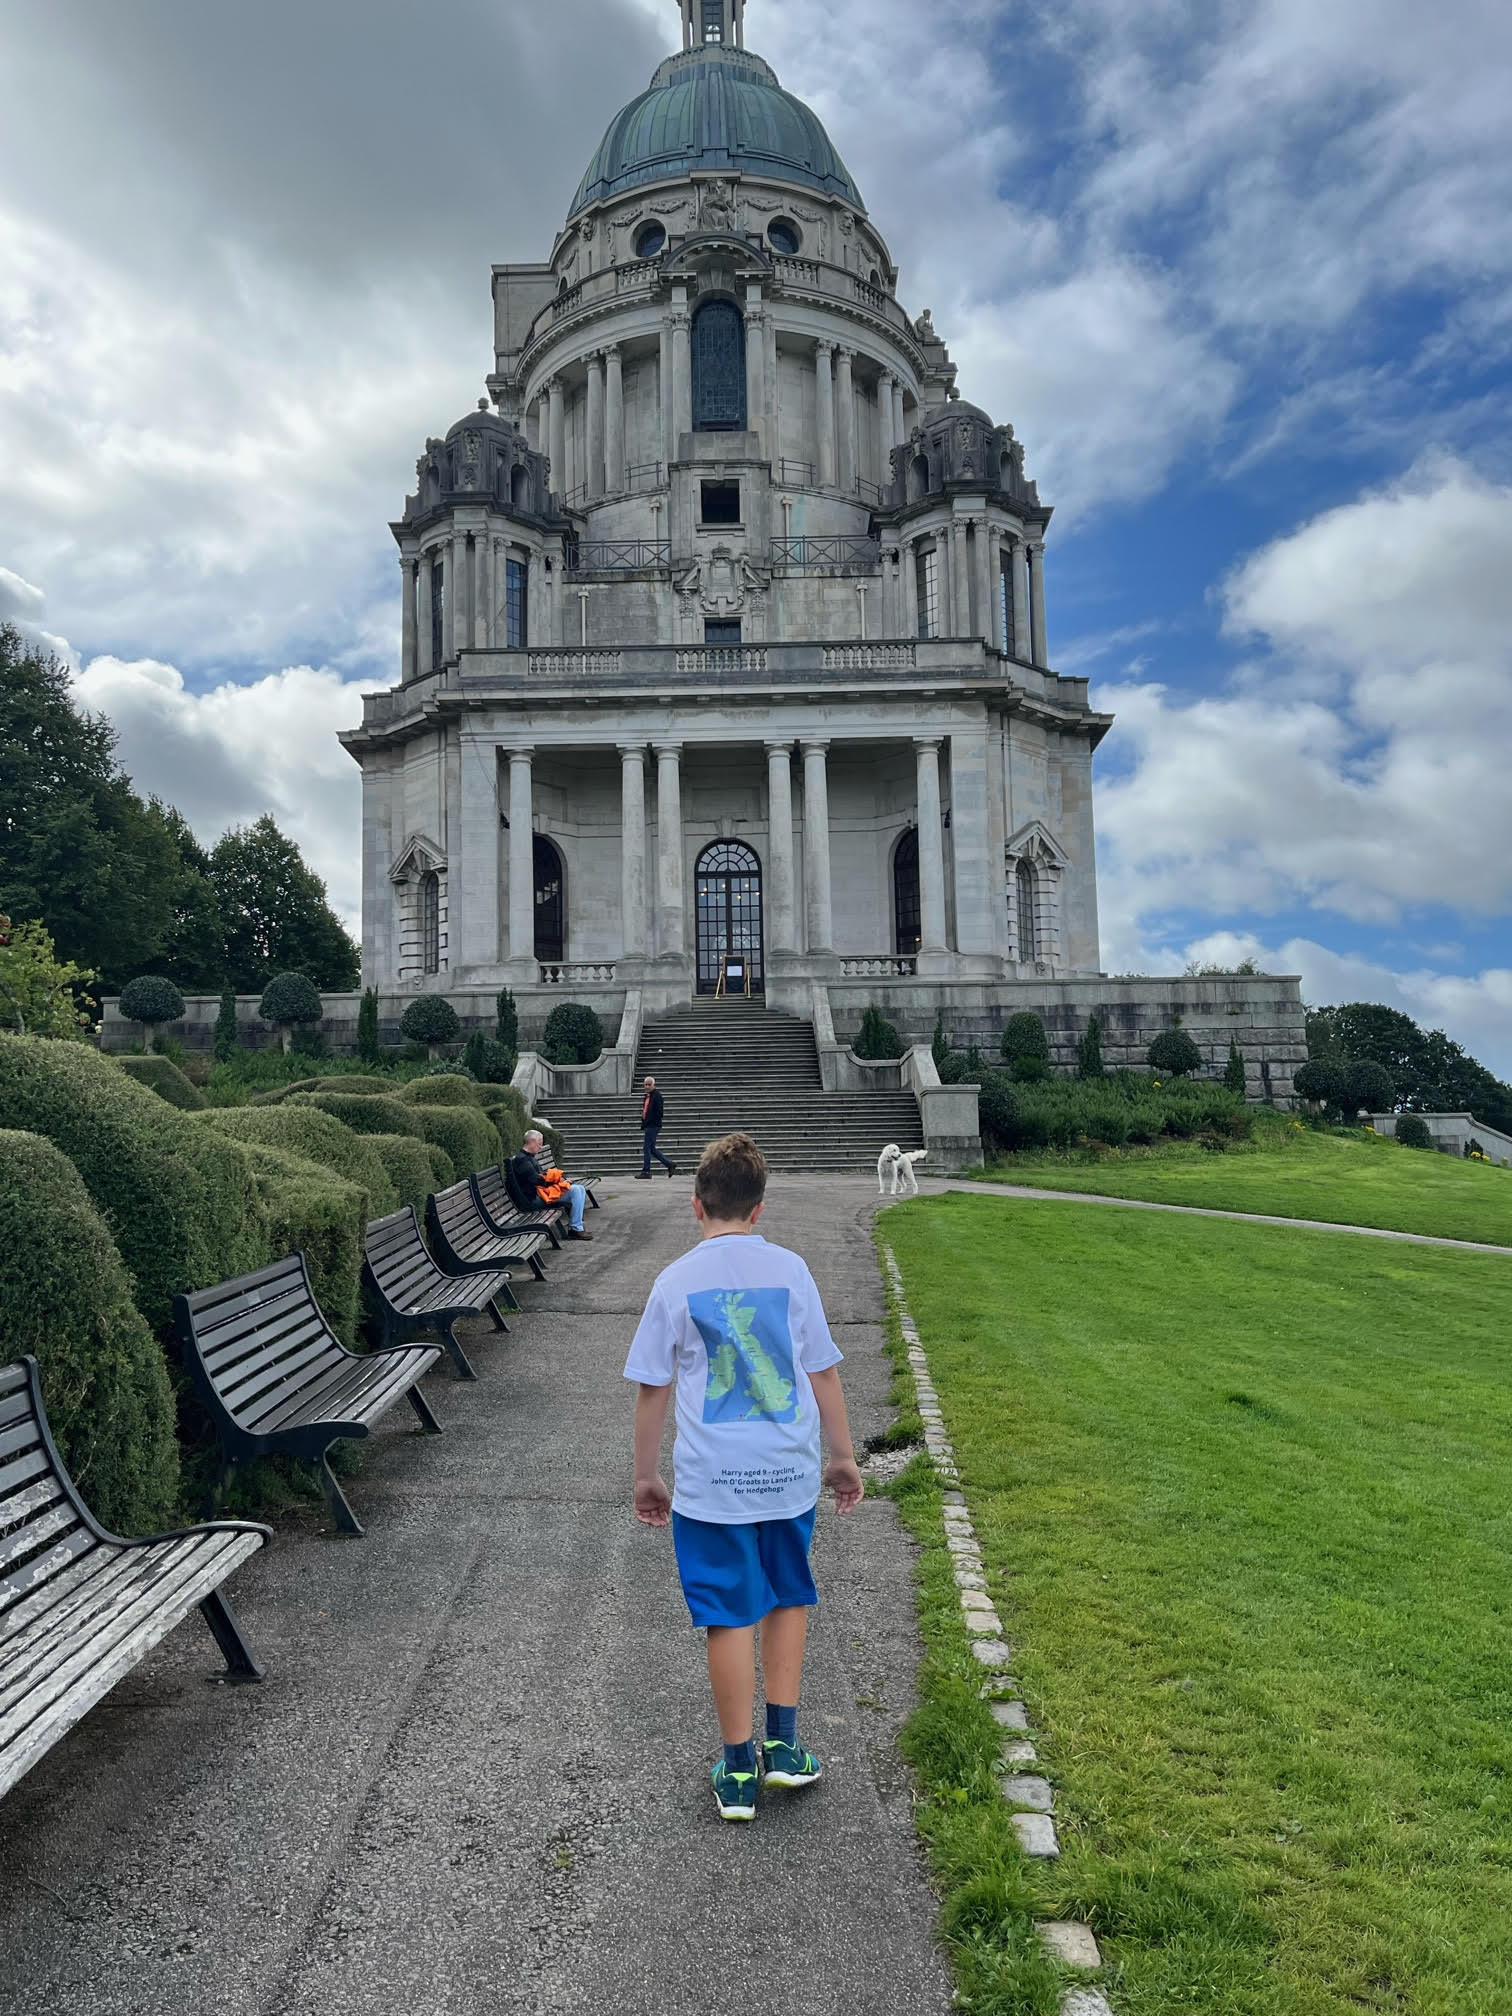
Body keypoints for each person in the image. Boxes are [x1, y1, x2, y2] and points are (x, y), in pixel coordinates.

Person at [624, 1132, 864, 1822]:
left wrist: (646, 1475)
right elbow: (821, 1370)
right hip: (786, 1474)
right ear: (759, 1210)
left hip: (711, 1483)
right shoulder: (791, 1271)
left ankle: (736, 1769)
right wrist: (842, 1458)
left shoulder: (675, 1281)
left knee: (728, 1612)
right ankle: (785, 1749)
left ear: (695, 1205)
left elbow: (652, 1387)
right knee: (789, 1594)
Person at [507, 1129, 591, 1241]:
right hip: (534, 1199)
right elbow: (537, 1180)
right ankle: (575, 1229)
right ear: (531, 1142)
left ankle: (576, 1227)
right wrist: (560, 1182)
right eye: (539, 1143)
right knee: (575, 1190)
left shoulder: (528, 1157)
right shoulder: (522, 1160)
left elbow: (540, 1177)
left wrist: (559, 1180)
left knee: (580, 1188)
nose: (540, 1147)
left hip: (539, 1194)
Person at [637, 1076, 677, 1180]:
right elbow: (645, 1110)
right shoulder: (647, 1096)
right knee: (652, 1149)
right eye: (645, 1084)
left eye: (649, 1084)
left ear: (653, 1085)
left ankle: (646, 1171)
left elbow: (659, 1112)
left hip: (653, 1126)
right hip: (648, 1125)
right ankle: (670, 1164)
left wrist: (651, 1122)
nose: (647, 1086)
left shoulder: (657, 1096)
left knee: (646, 1148)